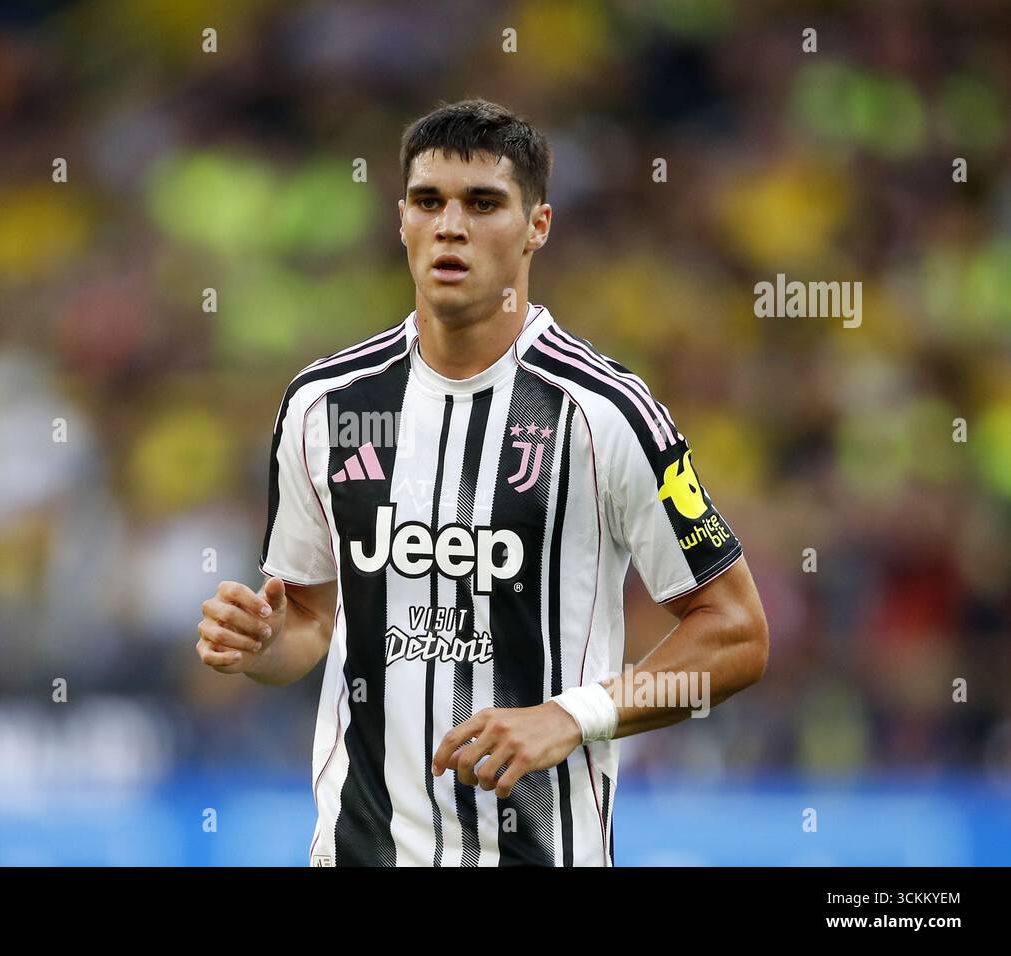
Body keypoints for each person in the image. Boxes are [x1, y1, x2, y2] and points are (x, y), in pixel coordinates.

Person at [196, 98, 768, 866]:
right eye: (429, 201)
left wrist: (573, 714)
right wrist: (263, 643)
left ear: (538, 226)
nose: (451, 226)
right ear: (401, 219)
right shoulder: (325, 405)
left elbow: (737, 633)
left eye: (484, 203)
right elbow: (309, 620)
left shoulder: (605, 415)